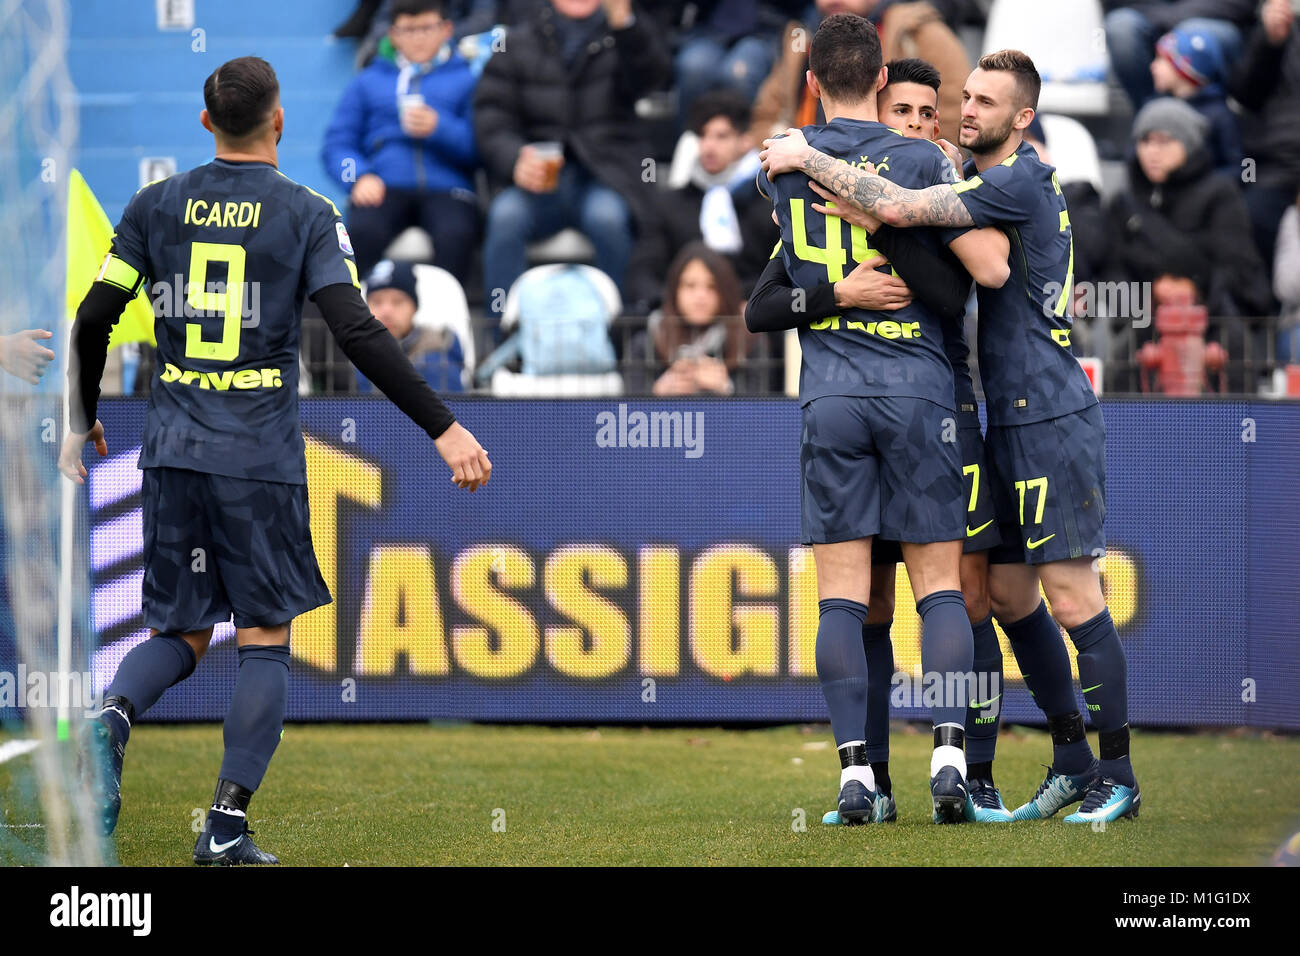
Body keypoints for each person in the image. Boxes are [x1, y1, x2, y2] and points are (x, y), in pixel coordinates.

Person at [60, 56, 491, 865]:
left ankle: (110, 718)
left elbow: (94, 315)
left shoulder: (154, 205)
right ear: (280, 120)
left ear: (204, 121)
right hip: (256, 454)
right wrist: (443, 427)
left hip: (175, 450)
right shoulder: (306, 213)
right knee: (263, 637)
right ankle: (223, 826)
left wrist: (81, 416)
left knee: (181, 631)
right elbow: (357, 332)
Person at [763, 48, 1142, 824]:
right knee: (996, 593)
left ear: (1022, 117)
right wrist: (841, 279)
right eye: (958, 99)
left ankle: (1100, 774)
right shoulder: (968, 177)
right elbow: (767, 301)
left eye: (975, 105)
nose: (958, 116)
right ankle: (1058, 759)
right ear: (879, 99)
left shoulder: (1002, 180)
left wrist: (818, 162)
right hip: (991, 412)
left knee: (1048, 596)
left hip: (1028, 410)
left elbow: (980, 272)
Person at [761, 15, 1018, 826]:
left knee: (841, 600)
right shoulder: (923, 161)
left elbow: (779, 275)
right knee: (940, 587)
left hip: (831, 394)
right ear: (881, 82)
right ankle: (948, 754)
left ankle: (856, 779)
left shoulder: (782, 170)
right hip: (919, 394)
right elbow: (963, 283)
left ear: (812, 84)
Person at [473, 0, 671, 323]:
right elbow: (491, 116)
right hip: (539, 180)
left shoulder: (623, 32)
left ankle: (619, 340)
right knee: (505, 218)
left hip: (606, 175)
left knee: (608, 220)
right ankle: (502, 347)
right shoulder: (518, 41)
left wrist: (626, 24)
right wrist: (514, 158)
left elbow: (655, 80)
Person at [1104, 97, 1271, 389]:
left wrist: (1193, 289)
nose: (1153, 152)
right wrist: (1151, 295)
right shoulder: (1124, 202)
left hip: (1212, 319)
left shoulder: (1220, 194)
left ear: (1189, 144)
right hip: (1146, 321)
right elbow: (1113, 270)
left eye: (1165, 141)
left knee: (1235, 349)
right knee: (1122, 356)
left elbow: (1238, 264)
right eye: (1145, 141)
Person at [321, 0, 481, 283]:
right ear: (392, 35)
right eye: (408, 30)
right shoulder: (367, 81)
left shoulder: (468, 79)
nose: (418, 37)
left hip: (450, 189)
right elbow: (337, 145)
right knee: (362, 231)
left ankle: (445, 320)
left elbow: (481, 149)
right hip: (383, 187)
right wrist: (358, 177)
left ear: (446, 30)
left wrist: (440, 128)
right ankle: (361, 319)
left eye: (427, 28)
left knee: (456, 233)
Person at [626, 90, 776, 312]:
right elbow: (643, 273)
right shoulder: (669, 205)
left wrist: (753, 306)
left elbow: (784, 276)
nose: (708, 146)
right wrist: (676, 306)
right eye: (703, 136)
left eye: (721, 136)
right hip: (682, 325)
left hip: (752, 328)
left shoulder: (770, 204)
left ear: (745, 141)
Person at [750, 0, 971, 146]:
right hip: (806, 178)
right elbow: (765, 116)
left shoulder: (917, 32)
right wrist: (791, 159)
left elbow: (958, 112)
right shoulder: (801, 39)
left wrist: (903, 168)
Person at [1230, 0, 1300, 268]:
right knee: (1248, 215)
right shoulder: (1271, 28)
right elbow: (1244, 96)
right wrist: (1269, 43)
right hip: (1272, 165)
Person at [1104, 0, 1256, 109]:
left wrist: (1175, 20)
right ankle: (1152, 120)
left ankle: (1203, 120)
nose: (1153, 67)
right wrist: (1165, 18)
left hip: (1215, 19)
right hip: (1150, 17)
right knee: (1120, 27)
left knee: (1191, 35)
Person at [647, 243, 752, 397]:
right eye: (690, 285)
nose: (700, 296)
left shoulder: (749, 339)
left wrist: (727, 388)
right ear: (675, 290)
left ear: (725, 292)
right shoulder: (650, 338)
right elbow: (624, 409)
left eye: (711, 287)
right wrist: (657, 393)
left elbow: (767, 409)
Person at [357, 260, 465, 393]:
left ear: (414, 307)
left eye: (397, 301)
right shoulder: (353, 353)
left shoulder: (439, 352)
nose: (386, 311)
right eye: (377, 302)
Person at [1149, 25, 1242, 175]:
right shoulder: (1156, 109)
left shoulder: (1220, 115)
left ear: (1185, 66)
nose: (1153, 66)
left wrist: (1203, 187)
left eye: (1161, 59)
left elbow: (1238, 168)